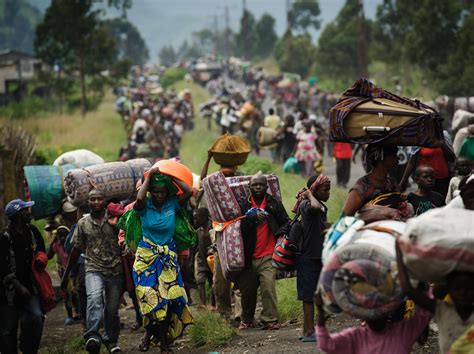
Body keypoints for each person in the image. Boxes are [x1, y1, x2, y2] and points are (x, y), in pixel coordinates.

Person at [133, 167, 193, 353]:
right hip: (146, 258)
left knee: (168, 301)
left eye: (163, 192)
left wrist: (169, 176)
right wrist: (149, 177)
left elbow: (189, 191)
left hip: (167, 258)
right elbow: (140, 198)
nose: (159, 195)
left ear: (167, 192)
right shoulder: (144, 207)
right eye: (156, 192)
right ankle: (148, 334)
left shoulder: (172, 205)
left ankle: (164, 344)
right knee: (148, 299)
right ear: (151, 191)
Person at [61, 189, 123, 354]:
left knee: (111, 309)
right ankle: (93, 336)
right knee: (94, 299)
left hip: (115, 270)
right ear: (88, 203)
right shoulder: (83, 223)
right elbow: (76, 249)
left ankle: (112, 341)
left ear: (104, 201)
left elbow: (126, 239)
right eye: (92, 199)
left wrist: (116, 227)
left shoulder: (115, 219)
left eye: (99, 199)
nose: (96, 202)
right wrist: (66, 275)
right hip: (93, 268)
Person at [396, 240, 474, 353]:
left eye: (469, 289)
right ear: (449, 290)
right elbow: (408, 289)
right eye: (457, 289)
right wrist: (399, 254)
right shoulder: (441, 310)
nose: (463, 293)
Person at [237, 172, 289, 330]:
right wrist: (251, 219)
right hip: (248, 256)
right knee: (248, 292)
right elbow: (237, 228)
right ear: (249, 187)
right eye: (254, 185)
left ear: (267, 187)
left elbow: (286, 222)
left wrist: (281, 237)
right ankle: (247, 319)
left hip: (268, 255)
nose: (258, 187)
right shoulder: (243, 205)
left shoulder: (274, 204)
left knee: (268, 288)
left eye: (261, 185)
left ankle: (270, 319)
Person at [314, 291, 433, 354]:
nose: (375, 318)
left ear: (387, 314)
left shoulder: (401, 332)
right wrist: (320, 312)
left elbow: (428, 311)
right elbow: (326, 344)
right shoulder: (355, 337)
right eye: (371, 314)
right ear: (364, 317)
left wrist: (415, 288)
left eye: (378, 314)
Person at [0, 199, 46, 354]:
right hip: (8, 292)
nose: (29, 212)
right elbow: (2, 267)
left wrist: (41, 259)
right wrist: (18, 286)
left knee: (37, 318)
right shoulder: (4, 237)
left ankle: (29, 350)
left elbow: (41, 250)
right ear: (18, 214)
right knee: (8, 329)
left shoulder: (32, 231)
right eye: (26, 210)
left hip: (30, 287)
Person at [295, 175, 331, 342]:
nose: (328, 193)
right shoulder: (307, 204)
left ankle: (308, 330)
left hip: (317, 256)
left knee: (316, 294)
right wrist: (309, 195)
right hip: (308, 256)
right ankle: (309, 331)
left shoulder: (319, 205)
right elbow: (314, 207)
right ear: (314, 190)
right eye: (325, 189)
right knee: (308, 296)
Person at [342, 144, 402, 216]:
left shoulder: (392, 183)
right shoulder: (361, 187)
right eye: (394, 155)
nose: (398, 159)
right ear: (381, 157)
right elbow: (345, 218)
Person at [400, 131, 456, 198]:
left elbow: (452, 158)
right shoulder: (420, 136)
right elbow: (412, 161)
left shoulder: (443, 135)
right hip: (425, 179)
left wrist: (442, 143)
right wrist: (403, 181)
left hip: (443, 180)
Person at [47, 225, 79, 325]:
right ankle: (70, 316)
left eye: (64, 235)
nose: (62, 238)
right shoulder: (56, 245)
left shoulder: (71, 243)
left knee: (76, 292)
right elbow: (48, 255)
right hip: (63, 272)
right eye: (60, 236)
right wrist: (53, 239)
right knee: (66, 293)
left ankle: (78, 312)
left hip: (74, 271)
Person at [193, 208, 215, 309]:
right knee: (200, 280)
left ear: (205, 218)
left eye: (197, 219)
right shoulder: (198, 231)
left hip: (212, 260)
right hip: (201, 259)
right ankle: (203, 303)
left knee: (214, 281)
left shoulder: (213, 230)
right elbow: (195, 245)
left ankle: (214, 303)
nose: (195, 222)